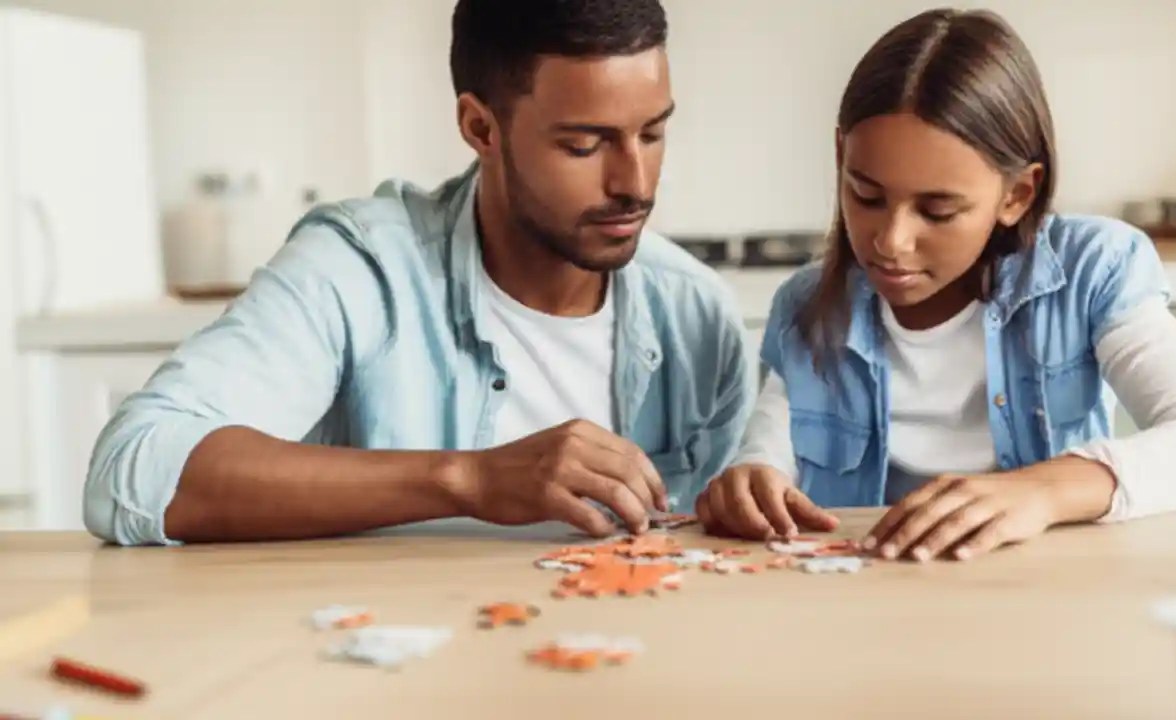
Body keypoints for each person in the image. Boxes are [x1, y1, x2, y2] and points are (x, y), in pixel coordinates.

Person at [84, 0, 753, 546]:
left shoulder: (696, 313)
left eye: (653, 133)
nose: (633, 183)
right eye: (584, 144)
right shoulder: (359, 268)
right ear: (480, 127)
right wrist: (469, 480)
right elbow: (133, 471)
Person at [695, 8, 1176, 561]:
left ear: (1017, 196)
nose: (892, 241)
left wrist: (1043, 491)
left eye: (937, 211)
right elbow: (761, 459)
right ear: (841, 157)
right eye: (866, 196)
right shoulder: (808, 306)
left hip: (1047, 601)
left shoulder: (1093, 270)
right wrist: (747, 483)